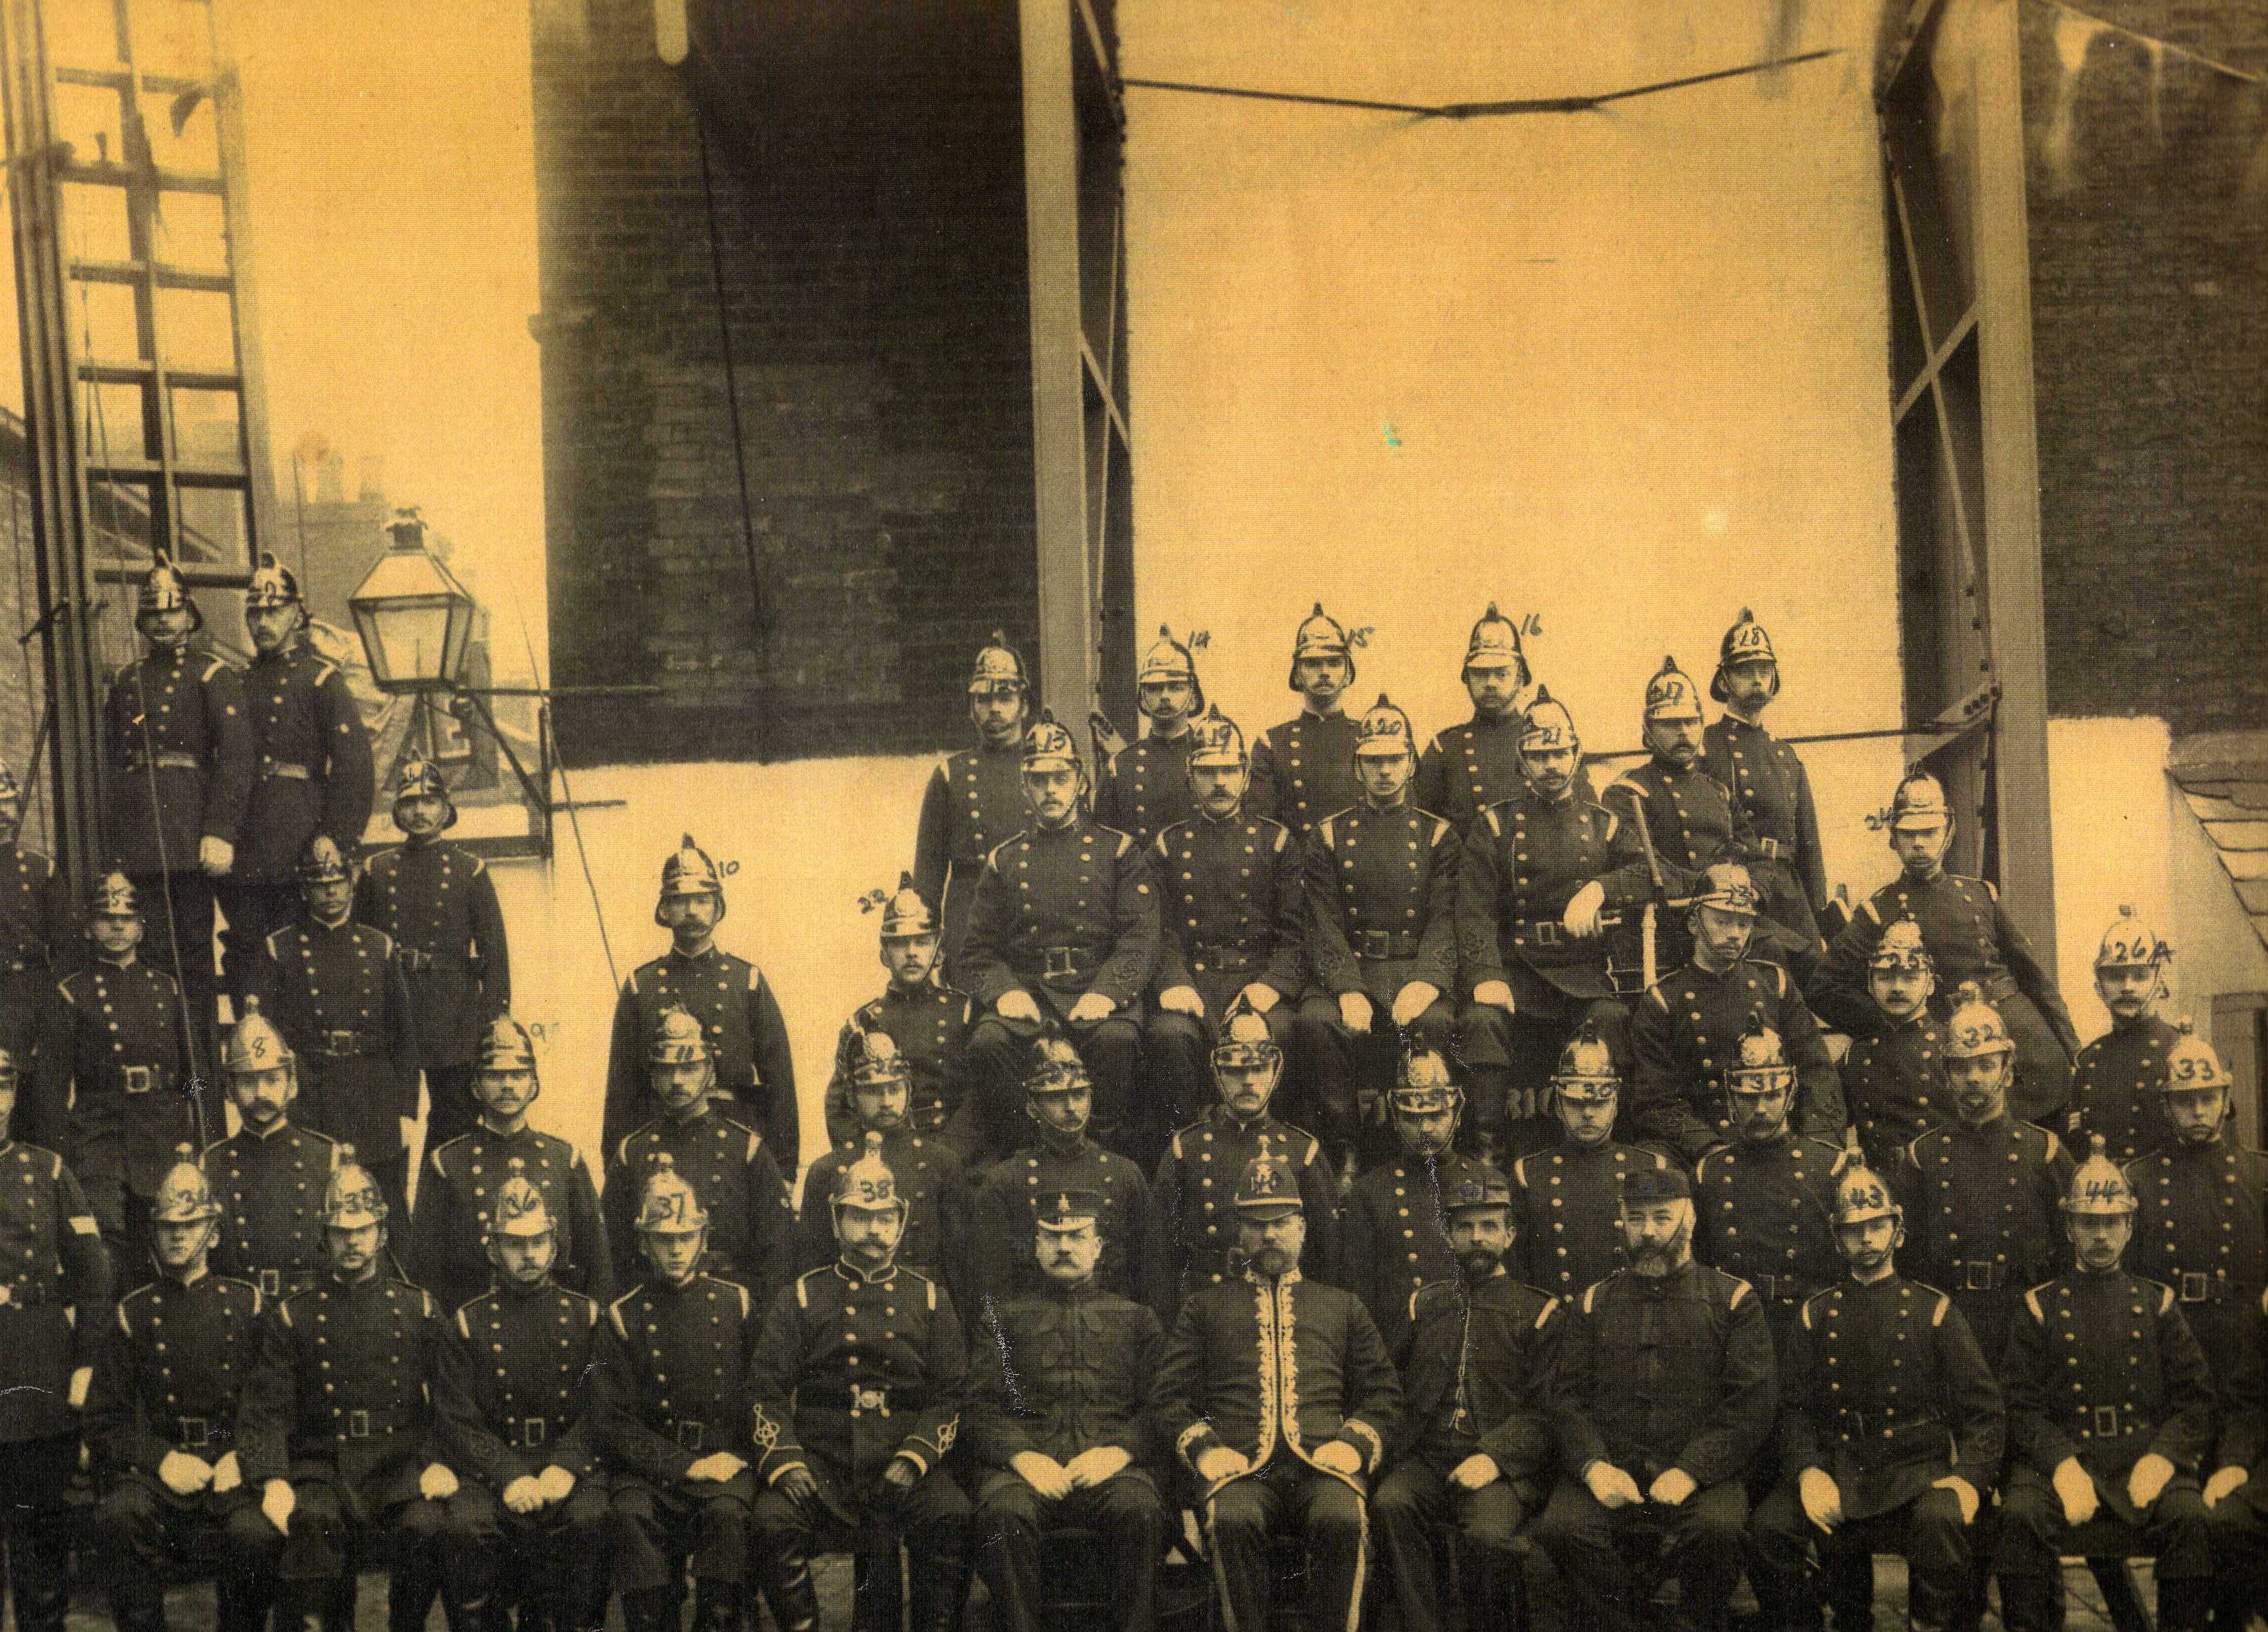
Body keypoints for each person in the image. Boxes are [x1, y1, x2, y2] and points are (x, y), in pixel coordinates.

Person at [1149, 1151, 1402, 1632]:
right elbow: (1168, 1399)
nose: (1269, 1235)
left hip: (1323, 1467)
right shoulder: (1205, 1308)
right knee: (1232, 1521)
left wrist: (1352, 1445)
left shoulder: (1342, 1306)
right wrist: (1205, 1451)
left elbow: (1384, 1394)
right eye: (1256, 1223)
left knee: (1343, 1519)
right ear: (1240, 1233)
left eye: (1281, 1223)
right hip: (1240, 1468)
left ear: (1303, 1228)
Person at [1749, 1159, 2003, 1632]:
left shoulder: (1935, 1310)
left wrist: (1969, 1477)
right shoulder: (1816, 1313)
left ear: (1898, 1231)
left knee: (1942, 1521)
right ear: (1837, 1238)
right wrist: (1808, 1472)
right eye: (1853, 1230)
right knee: (1769, 1529)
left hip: (1914, 1468)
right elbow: (1795, 1411)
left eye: (1876, 1226)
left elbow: (1984, 1412)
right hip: (1838, 1464)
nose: (1866, 1239)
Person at [1533, 1165, 1776, 1632]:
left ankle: (1697, 1622)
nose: (1648, 1232)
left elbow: (1752, 1403)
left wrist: (1693, 1470)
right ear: (1621, 1221)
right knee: (1562, 1530)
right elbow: (1565, 1398)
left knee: (1719, 1531)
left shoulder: (1733, 1300)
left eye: (1662, 1218)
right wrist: (1593, 1467)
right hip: (1611, 1466)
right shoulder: (1592, 1302)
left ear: (1690, 1220)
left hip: (1701, 1472)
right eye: (1636, 1218)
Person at [748, 1135, 973, 1632]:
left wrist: (914, 1459)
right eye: (860, 1216)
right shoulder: (802, 1297)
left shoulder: (930, 1298)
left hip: (905, 1460)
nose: (874, 1230)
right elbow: (766, 1390)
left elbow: (952, 1394)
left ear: (901, 1221)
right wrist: (786, 1462)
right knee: (771, 1521)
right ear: (835, 1220)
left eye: (884, 1218)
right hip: (824, 1464)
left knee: (952, 1515)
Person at [1994, 1139, 2219, 1632]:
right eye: (2089, 1223)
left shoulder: (2157, 1303)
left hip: (2141, 1452)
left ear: (2130, 1226)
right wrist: (2061, 1464)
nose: (2100, 1235)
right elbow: (2020, 1405)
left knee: (2190, 1518)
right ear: (2070, 1227)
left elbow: (2197, 1401)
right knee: (2020, 1516)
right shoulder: (2040, 1307)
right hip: (2067, 1453)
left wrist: (2163, 1457)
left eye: (2111, 1222)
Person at [237, 1149, 455, 1632]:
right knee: (311, 1523)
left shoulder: (418, 1307)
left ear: (381, 1233)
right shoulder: (295, 1314)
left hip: (399, 1462)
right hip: (324, 1463)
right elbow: (266, 1409)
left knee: (427, 1526)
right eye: (341, 1232)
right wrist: (272, 1478)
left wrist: (439, 1460)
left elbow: (453, 1400)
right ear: (325, 1237)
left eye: (362, 1230)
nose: (352, 1242)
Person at [1812, 767, 2078, 1125]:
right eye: (1909, 835)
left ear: (1949, 833)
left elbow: (2035, 980)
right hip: (1956, 1051)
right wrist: (1894, 1023)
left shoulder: (1981, 895)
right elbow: (1822, 987)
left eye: (1930, 832)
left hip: (2028, 1045)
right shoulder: (1880, 911)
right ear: (1893, 838)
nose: (1920, 844)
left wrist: (2073, 1049)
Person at [87, 1147, 280, 1632]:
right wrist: (162, 1460)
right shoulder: (133, 1312)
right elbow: (104, 1421)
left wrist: (246, 1457)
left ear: (213, 1234)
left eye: (189, 1225)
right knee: (119, 1516)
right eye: (167, 1227)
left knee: (254, 1533)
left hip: (230, 1463)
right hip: (163, 1466)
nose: (177, 1237)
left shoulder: (248, 1304)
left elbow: (274, 1402)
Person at [956, 709, 1159, 1161]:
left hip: (1095, 989)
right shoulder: (1004, 860)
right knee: (989, 1043)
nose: (1051, 789)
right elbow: (977, 951)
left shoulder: (1118, 851)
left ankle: (1101, 1155)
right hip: (1032, 994)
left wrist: (1107, 993)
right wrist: (1006, 993)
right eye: (1039, 779)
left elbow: (1139, 939)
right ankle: (1023, 1155)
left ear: (1081, 782)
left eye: (1061, 777)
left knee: (1117, 1041)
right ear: (1024, 786)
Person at [964, 1187, 1169, 1632]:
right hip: (1026, 1470)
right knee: (1005, 1515)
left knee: (1142, 1511)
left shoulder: (1137, 1319)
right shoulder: (1002, 1319)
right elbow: (979, 1406)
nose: (1063, 1248)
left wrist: (1120, 1453)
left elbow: (1163, 1405)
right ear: (1036, 1247)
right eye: (1052, 1237)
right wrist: (1022, 1457)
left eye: (1077, 1236)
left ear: (1098, 1247)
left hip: (1111, 1469)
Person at [2120, 1022, 2268, 1631]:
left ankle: (2229, 1620)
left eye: (2208, 1096)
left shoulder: (2260, 1174)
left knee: (2229, 1496)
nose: (2198, 1109)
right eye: (2185, 1099)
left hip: (2242, 1345)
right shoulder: (2138, 1179)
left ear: (2227, 1099)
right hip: (2171, 1345)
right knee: (2181, 1502)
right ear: (2166, 1106)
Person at [1456, 685, 1643, 1165]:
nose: (1551, 765)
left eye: (1560, 753)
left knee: (1612, 1020)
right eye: (1539, 755)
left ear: (1577, 755)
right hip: (1516, 971)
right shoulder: (1495, 826)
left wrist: (1601, 888)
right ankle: (1490, 1152)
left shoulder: (1604, 824)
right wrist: (1485, 977)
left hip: (1582, 972)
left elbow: (1644, 872)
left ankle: (1601, 1144)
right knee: (1480, 1022)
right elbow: (1473, 911)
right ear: (1522, 761)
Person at [1373, 1166, 1562, 1632]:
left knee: (1487, 1536)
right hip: (1427, 1456)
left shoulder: (1540, 1311)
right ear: (1449, 1235)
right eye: (1465, 1227)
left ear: (1510, 1234)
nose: (1477, 1238)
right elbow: (1387, 1386)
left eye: (1489, 1227)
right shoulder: (1424, 1305)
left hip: (1499, 1466)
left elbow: (1551, 1408)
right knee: (1389, 1506)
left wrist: (1496, 1457)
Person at [1292, 693, 1461, 1183]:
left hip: (1413, 967)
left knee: (1437, 1021)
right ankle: (1345, 1145)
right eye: (1373, 761)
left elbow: (1445, 916)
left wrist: (1426, 980)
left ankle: (1432, 1149)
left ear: (1411, 764)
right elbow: (1321, 919)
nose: (1384, 771)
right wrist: (1347, 987)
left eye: (1394, 759)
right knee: (1317, 1023)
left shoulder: (1438, 835)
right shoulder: (1328, 835)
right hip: (1352, 966)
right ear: (1357, 768)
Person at [431, 1166, 608, 1632]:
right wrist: (508, 1474)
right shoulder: (467, 1323)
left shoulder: (587, 1315)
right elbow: (456, 1418)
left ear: (554, 1246)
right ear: (493, 1249)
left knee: (589, 1520)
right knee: (465, 1529)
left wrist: (565, 1465)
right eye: (515, 1243)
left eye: (537, 1242)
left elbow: (602, 1408)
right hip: (494, 1467)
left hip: (564, 1463)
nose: (527, 1254)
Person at [596, 1160, 763, 1632]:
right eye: (663, 1239)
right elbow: (613, 1420)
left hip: (724, 1457)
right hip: (651, 1470)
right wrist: (683, 1466)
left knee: (728, 1517)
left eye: (685, 1237)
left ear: (703, 1240)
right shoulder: (623, 1315)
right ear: (644, 1242)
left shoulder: (738, 1303)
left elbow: (761, 1393)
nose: (675, 1250)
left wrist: (736, 1456)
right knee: (630, 1517)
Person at [101, 551, 251, 1049]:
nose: (163, 622)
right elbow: (110, 769)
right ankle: (168, 1111)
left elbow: (234, 761)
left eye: (172, 612)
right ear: (143, 622)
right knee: (146, 975)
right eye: (154, 614)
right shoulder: (126, 682)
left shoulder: (213, 676)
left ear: (190, 617)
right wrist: (114, 856)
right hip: (139, 852)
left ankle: (201, 1102)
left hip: (190, 847)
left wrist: (219, 832)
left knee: (192, 974)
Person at [220, 551, 375, 1013]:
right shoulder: (238, 684)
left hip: (301, 841)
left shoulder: (321, 680)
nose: (262, 621)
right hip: (246, 844)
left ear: (296, 614)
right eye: (255, 612)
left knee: (301, 956)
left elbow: (354, 768)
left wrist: (335, 836)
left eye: (273, 610)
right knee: (248, 952)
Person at [1892, 981, 2075, 1370]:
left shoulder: (2044, 1151)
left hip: (2028, 1323)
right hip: (1949, 1324)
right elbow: (1906, 1260)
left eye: (1986, 1065)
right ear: (1946, 1075)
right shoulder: (1922, 1157)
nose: (1973, 1078)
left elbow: (2070, 1252)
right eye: (1961, 1067)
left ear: (2008, 1072)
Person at [1144, 705, 1305, 1134]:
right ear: (1190, 777)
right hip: (1193, 979)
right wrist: (1174, 982)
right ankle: (1190, 1145)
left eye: (1230, 771)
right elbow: (1157, 929)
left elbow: (1295, 932)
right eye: (1208, 771)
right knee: (1170, 1034)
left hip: (1256, 978)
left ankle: (1276, 1143)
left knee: (1283, 1030)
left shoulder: (1277, 842)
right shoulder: (1167, 845)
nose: (1220, 783)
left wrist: (1269, 986)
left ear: (1247, 776)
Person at [34, 870, 201, 1277]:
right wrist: (61, 1156)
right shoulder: (72, 991)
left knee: (171, 1237)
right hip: (101, 1136)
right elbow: (52, 1087)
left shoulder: (168, 988)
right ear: (90, 928)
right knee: (109, 1252)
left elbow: (194, 1075)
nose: (116, 927)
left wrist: (204, 1130)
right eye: (106, 918)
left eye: (126, 919)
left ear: (141, 929)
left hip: (164, 1130)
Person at [244, 835, 419, 1222]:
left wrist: (407, 1109)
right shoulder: (279, 948)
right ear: (305, 890)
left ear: (352, 882)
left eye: (337, 884)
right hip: (310, 1090)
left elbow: (404, 1036)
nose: (329, 894)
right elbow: (261, 1039)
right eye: (319, 887)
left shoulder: (379, 947)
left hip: (372, 1093)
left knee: (384, 1204)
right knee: (310, 1203)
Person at [0, 1042, 114, 1632]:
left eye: (2, 1086)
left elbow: (96, 1278)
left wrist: (84, 1365)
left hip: (35, 1364)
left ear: (14, 1095)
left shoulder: (48, 1171)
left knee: (39, 1534)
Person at [1626, 860, 1845, 1167]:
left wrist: (1817, 1146)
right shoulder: (1663, 1000)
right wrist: (1709, 1149)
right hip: (1703, 1150)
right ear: (1694, 924)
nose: (1735, 934)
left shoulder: (1775, 984)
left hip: (1777, 1136)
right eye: (1722, 922)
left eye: (1743, 924)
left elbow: (1817, 1073)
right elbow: (1655, 1102)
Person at [601, 833, 798, 1165]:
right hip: (660, 1138)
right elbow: (622, 1089)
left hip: (735, 1141)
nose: (692, 911)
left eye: (702, 900)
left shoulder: (746, 981)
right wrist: (617, 1165)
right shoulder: (641, 986)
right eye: (680, 901)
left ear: (718, 907)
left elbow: (779, 1084)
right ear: (664, 909)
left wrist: (784, 1167)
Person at [354, 756, 510, 1157]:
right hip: (395, 1006)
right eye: (409, 803)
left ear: (446, 810)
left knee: (454, 1121)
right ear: (397, 812)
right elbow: (360, 950)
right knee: (389, 1120)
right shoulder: (376, 869)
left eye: (429, 802)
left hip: (452, 1011)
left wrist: (493, 1020)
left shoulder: (469, 871)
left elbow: (495, 957)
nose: (419, 812)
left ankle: (442, 1207)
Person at [411, 1014, 610, 1315]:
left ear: (533, 1084)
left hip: (556, 1320)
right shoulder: (447, 1164)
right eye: (495, 1076)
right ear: (476, 1086)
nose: (507, 1085)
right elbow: (426, 1271)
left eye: (517, 1075)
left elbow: (597, 1262)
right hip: (474, 1324)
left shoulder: (564, 1160)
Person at [969, 1026, 1167, 1317]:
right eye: (1056, 1097)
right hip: (1032, 1335)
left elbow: (1152, 1282)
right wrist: (1004, 1357)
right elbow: (990, 1295)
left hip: (1113, 1331)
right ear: (1032, 1107)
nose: (1071, 1107)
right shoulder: (1005, 1182)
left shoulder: (1125, 1175)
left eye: (1079, 1095)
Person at [603, 1004, 791, 1310]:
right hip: (653, 1311)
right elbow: (614, 1255)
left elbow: (776, 1254)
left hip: (732, 1308)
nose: (677, 1080)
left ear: (710, 1074)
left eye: (689, 1068)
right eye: (666, 1069)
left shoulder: (746, 1150)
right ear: (652, 1077)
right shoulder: (632, 1154)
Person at [1692, 1019, 1848, 1387]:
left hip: (1807, 1327)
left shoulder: (1830, 1167)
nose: (1760, 1108)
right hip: (1736, 1331)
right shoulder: (1709, 1173)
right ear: (1732, 1098)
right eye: (1748, 1098)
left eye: (1771, 1096)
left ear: (1790, 1095)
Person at [1154, 994, 1339, 1301]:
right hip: (1207, 1303)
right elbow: (1160, 1256)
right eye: (1236, 1072)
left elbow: (1327, 1258)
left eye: (1259, 1070)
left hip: (1284, 1304)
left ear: (1275, 1072)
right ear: (1217, 1073)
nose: (1249, 1082)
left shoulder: (1301, 1150)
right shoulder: (1185, 1150)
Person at [1599, 656, 1762, 975]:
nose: (1683, 732)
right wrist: (1712, 887)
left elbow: (1754, 859)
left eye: (1690, 722)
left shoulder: (1718, 791)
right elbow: (1640, 866)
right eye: (1669, 724)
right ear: (1647, 732)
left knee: (1798, 957)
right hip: (1666, 926)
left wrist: (1752, 889)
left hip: (1731, 922)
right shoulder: (1627, 792)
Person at [797, 1027, 971, 1305]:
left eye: (894, 1089)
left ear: (909, 1091)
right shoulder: (827, 1171)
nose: (887, 1101)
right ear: (853, 1098)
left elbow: (962, 1267)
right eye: (873, 1091)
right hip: (849, 1307)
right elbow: (812, 1270)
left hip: (922, 1309)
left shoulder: (943, 1164)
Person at [1507, 1021, 1670, 1304]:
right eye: (1577, 1104)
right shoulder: (1529, 1174)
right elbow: (1518, 1273)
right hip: (1558, 1324)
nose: (1588, 1114)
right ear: (1558, 1104)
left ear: (1616, 1103)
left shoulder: (1649, 1168)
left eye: (1599, 1104)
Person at [1341, 1047, 1491, 1353]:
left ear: (1457, 1114)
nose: (1425, 1129)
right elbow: (1359, 1298)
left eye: (1436, 1116)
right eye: (1413, 1118)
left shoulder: (1488, 1182)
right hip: (1402, 1348)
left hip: (1476, 1347)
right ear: (1395, 1119)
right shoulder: (1370, 1192)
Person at [1700, 609, 1828, 957]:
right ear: (1724, 681)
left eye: (1764, 670)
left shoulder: (1786, 756)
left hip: (1788, 891)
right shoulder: (1705, 747)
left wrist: (1818, 907)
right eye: (1745, 670)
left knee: (1819, 972)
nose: (1757, 679)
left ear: (1774, 679)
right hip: (1733, 892)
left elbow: (1809, 842)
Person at [824, 874, 974, 1155]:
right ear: (884, 954)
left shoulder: (964, 1012)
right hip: (889, 1154)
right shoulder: (864, 1023)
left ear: (939, 952)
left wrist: (951, 1158)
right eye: (900, 944)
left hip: (956, 1156)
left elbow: (979, 1100)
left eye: (921, 942)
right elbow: (841, 1108)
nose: (912, 953)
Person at [201, 998, 339, 1297]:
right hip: (236, 1306)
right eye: (248, 1083)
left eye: (272, 1080)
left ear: (292, 1085)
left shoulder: (326, 1155)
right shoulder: (211, 1162)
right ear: (229, 1090)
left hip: (308, 1307)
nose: (261, 1094)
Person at [914, 630, 1037, 965]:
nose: (994, 709)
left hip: (1036, 917)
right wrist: (928, 947)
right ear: (972, 708)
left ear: (1023, 705)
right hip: (969, 921)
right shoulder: (950, 775)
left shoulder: (1048, 769)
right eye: (983, 700)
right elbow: (928, 875)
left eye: (1005, 698)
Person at [1417, 601, 1582, 831]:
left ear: (1521, 677)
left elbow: (1586, 823)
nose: (1491, 683)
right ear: (1467, 679)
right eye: (1481, 674)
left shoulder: (1552, 740)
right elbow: (1422, 835)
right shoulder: (1445, 750)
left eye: (1501, 674)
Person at [2067, 903, 2181, 1165]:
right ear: (2099, 986)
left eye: (2139, 977)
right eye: (2116, 977)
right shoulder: (2089, 1059)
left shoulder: (2179, 1049)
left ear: (2158, 982)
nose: (2127, 987)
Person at [1839, 915, 1950, 1173]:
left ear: (1930, 985)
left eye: (1910, 978)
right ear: (1870, 984)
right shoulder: (1857, 1053)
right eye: (1886, 978)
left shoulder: (1951, 1047)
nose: (1897, 987)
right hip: (1877, 1188)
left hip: (1940, 1181)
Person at [1247, 601, 1366, 836]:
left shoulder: (1368, 738)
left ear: (1348, 673)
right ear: (1297, 674)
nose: (1324, 672)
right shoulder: (1271, 744)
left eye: (1334, 663)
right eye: (1312, 664)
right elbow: (1261, 828)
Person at [1093, 624, 1205, 849]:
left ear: (1193, 697)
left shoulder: (1210, 757)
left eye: (1175, 687)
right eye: (1154, 688)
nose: (1164, 696)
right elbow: (1105, 845)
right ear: (1142, 698)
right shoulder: (1122, 765)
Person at [0, 758, 71, 1057]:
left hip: (34, 995)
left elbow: (67, 942)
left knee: (45, 1093)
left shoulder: (41, 870)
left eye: (8, 804)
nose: (3, 815)